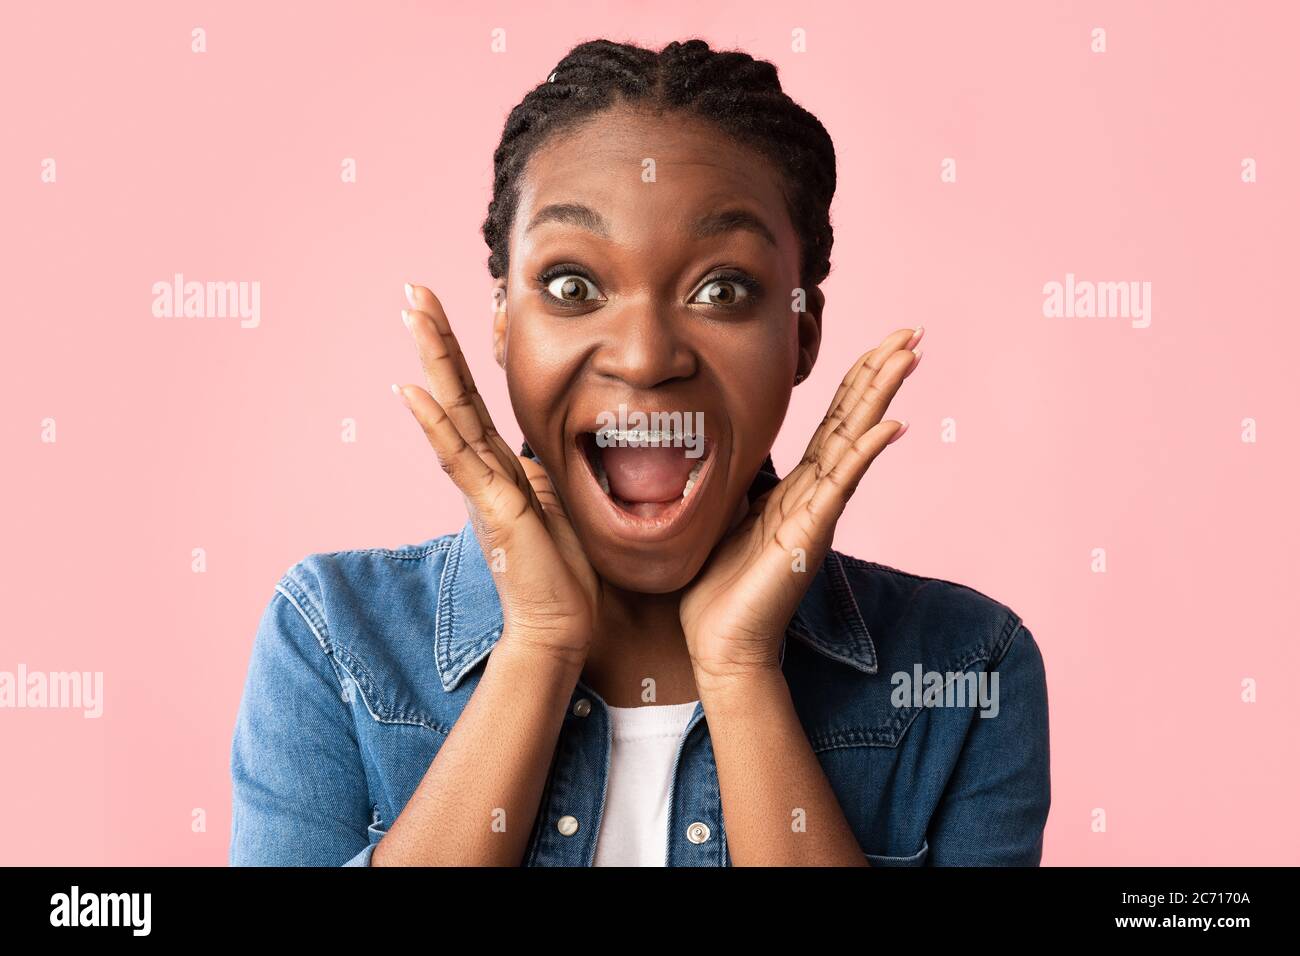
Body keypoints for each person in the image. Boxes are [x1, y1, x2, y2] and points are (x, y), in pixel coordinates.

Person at [229, 37, 1050, 867]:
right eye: (573, 287)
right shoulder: (332, 641)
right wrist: (538, 647)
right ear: (504, 324)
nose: (647, 356)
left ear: (802, 334)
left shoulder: (965, 670)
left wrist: (740, 672)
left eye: (721, 290)